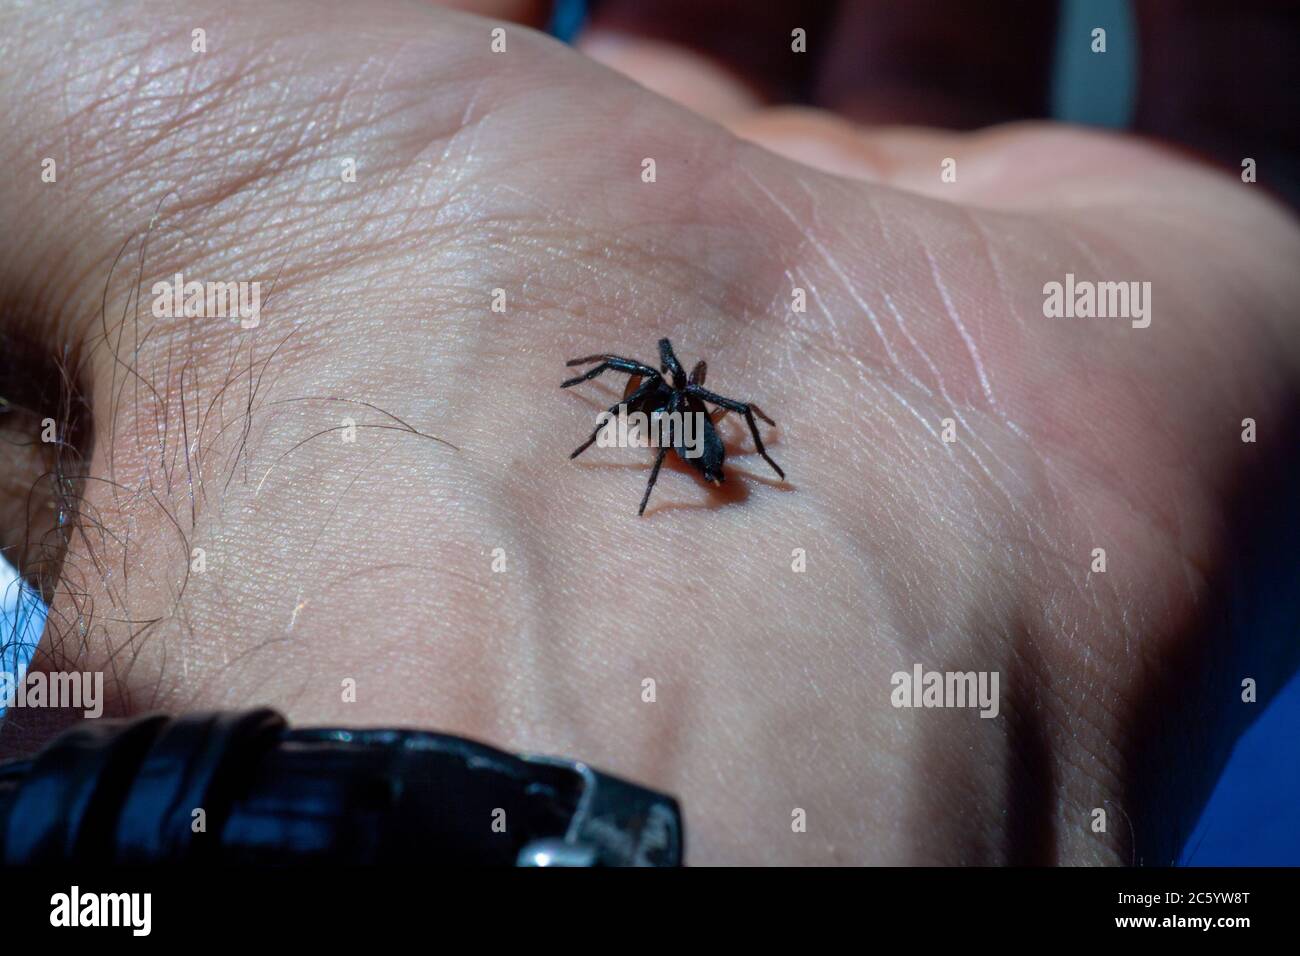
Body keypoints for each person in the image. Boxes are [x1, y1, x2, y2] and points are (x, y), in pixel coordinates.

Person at [0, 0, 1297, 865]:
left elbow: (680, 407)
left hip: (691, 436)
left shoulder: (665, 406)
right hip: (690, 437)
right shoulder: (653, 407)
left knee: (678, 400)